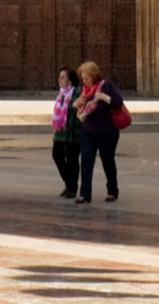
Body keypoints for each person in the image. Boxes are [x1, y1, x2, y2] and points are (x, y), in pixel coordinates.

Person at [73, 61, 125, 204]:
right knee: (86, 161)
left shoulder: (106, 85)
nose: (85, 81)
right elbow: (79, 111)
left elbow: (118, 102)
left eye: (87, 78)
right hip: (88, 131)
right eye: (83, 78)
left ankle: (112, 191)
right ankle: (84, 194)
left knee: (107, 161)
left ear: (94, 75)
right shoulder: (84, 91)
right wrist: (76, 105)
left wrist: (104, 97)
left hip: (107, 131)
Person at [50, 68, 82, 197]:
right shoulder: (62, 93)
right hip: (61, 131)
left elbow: (77, 108)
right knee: (57, 155)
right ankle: (69, 183)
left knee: (72, 159)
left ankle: (72, 188)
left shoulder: (77, 92)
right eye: (59, 77)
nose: (60, 80)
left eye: (63, 77)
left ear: (70, 80)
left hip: (73, 132)